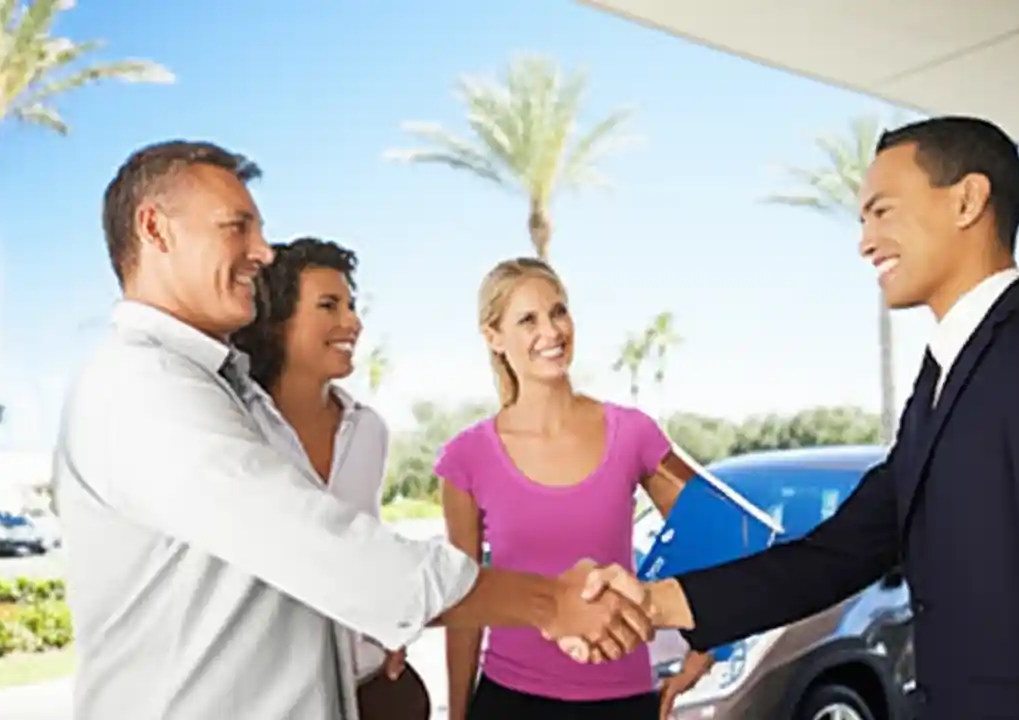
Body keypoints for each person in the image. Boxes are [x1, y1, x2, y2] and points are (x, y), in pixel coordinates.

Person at [582, 116, 1019, 720]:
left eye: (882, 211)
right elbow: (838, 552)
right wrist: (653, 602)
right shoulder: (940, 383)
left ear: (967, 200)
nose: (865, 241)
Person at [54, 140, 653, 720]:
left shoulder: (234, 395)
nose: (262, 252)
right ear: (155, 229)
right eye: (236, 226)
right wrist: (549, 602)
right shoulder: (141, 387)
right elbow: (319, 545)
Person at [435, 257, 703, 720]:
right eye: (528, 319)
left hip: (622, 700)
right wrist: (458, 715)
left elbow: (713, 530)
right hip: (509, 700)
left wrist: (709, 644)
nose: (552, 331)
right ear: (493, 337)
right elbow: (464, 602)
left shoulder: (633, 434)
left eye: (558, 312)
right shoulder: (466, 458)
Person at [229, 236, 428, 718]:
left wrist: (391, 623)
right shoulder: (237, 427)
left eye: (351, 305)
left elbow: (368, 540)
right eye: (328, 305)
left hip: (370, 682)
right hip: (271, 697)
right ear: (276, 322)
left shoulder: (369, 430)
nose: (352, 322)